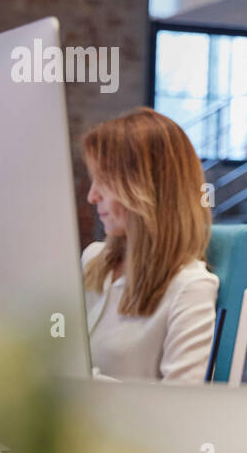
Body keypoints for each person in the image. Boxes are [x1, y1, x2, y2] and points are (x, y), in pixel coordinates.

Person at [81, 108, 219, 382]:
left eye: (104, 181)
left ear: (142, 189)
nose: (91, 196)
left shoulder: (190, 288)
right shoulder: (94, 260)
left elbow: (182, 408)